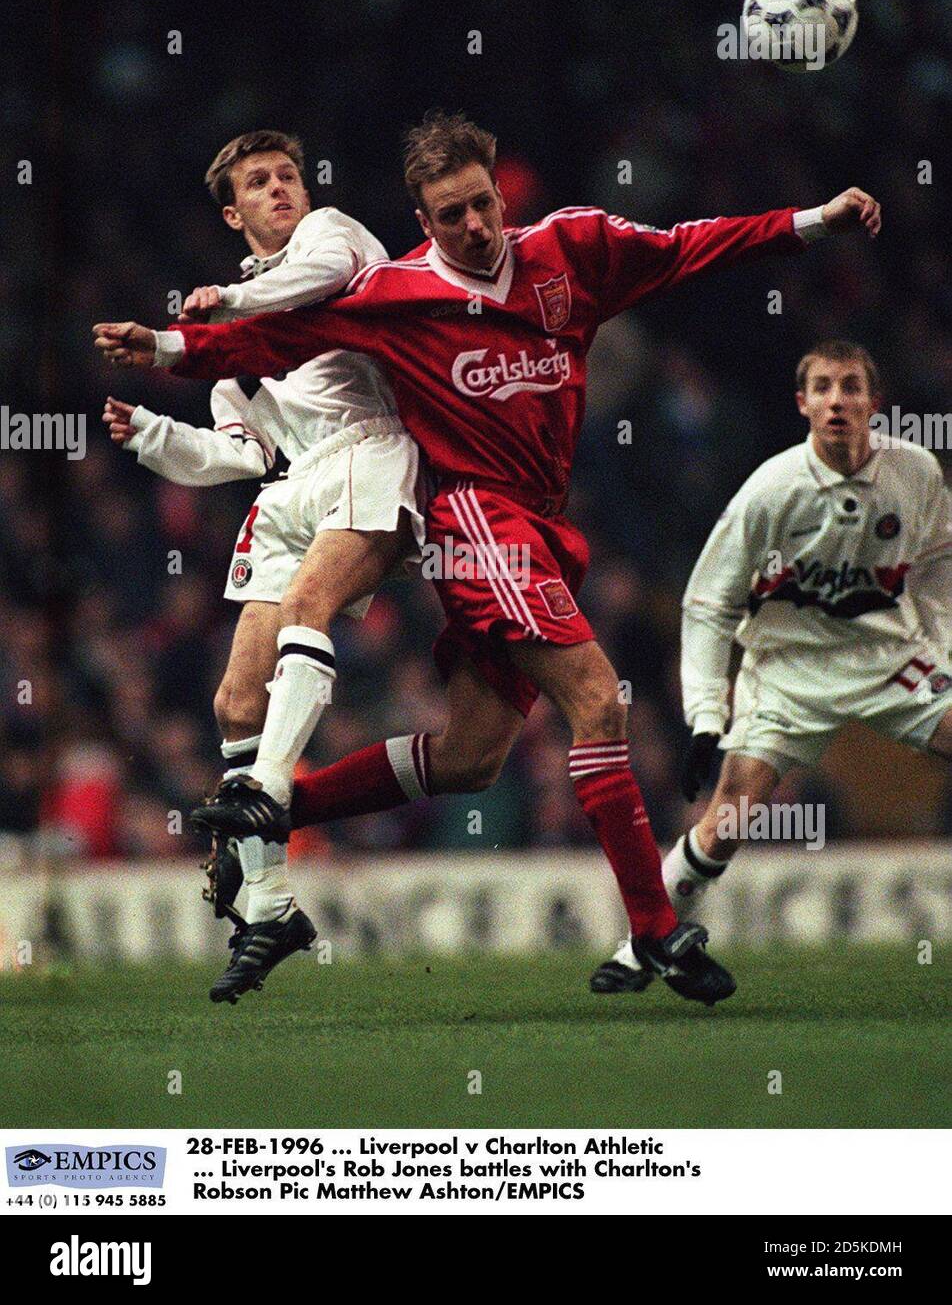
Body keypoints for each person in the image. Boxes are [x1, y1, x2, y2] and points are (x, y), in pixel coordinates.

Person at [94, 109, 882, 1008]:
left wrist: (814, 221)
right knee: (596, 702)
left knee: (471, 757)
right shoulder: (396, 292)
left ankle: (274, 812)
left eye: (481, 206)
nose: (473, 228)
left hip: (543, 525)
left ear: (498, 191)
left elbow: (689, 246)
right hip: (471, 520)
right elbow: (276, 342)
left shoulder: (571, 249)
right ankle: (658, 929)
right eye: (449, 216)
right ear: (421, 222)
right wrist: (165, 346)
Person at [102, 129, 426, 1003]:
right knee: (234, 700)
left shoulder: (333, 237)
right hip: (294, 487)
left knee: (308, 609)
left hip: (371, 452)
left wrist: (215, 318)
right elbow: (241, 453)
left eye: (287, 174)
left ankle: (269, 791)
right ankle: (275, 908)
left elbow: (310, 288)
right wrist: (156, 436)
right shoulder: (234, 317)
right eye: (260, 182)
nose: (281, 188)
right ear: (231, 210)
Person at [591, 338, 952, 991]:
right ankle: (639, 945)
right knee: (729, 816)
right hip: (788, 674)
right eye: (822, 388)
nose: (836, 400)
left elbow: (938, 564)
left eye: (850, 386)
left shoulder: (918, 472)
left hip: (891, 662)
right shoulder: (771, 489)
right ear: (802, 404)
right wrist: (705, 716)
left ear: (875, 402)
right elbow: (707, 603)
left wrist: (944, 651)